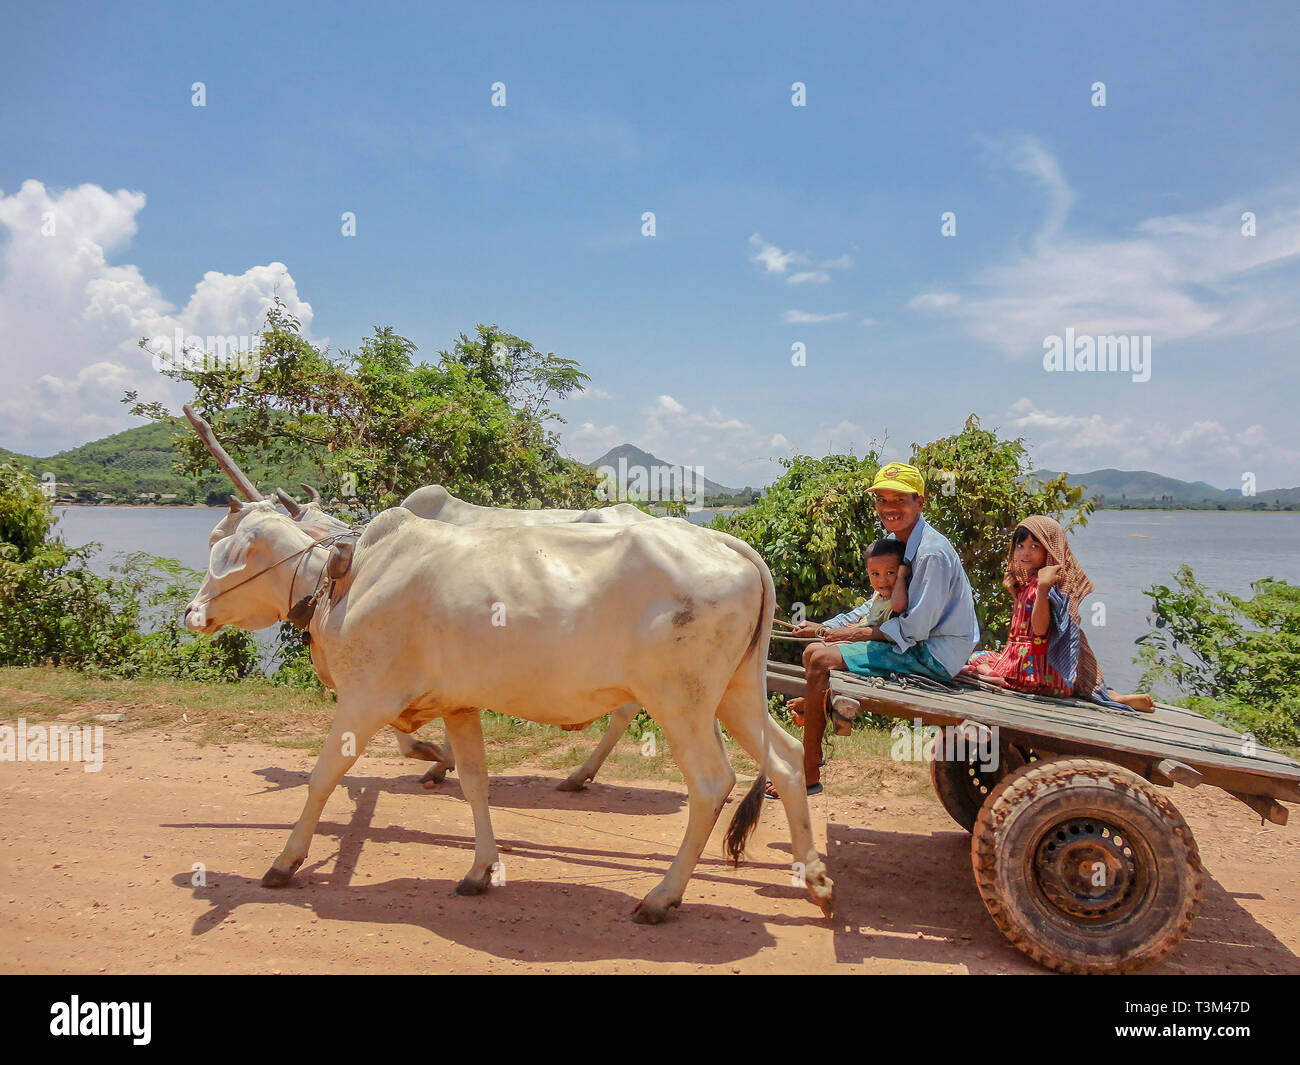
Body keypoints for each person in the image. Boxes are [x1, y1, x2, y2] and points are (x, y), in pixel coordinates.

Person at [775, 462, 980, 797]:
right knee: (814, 650)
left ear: (919, 502)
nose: (889, 508)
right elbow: (874, 607)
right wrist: (824, 628)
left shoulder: (930, 553)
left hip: (933, 653)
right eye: (882, 499)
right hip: (915, 644)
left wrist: (852, 634)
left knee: (821, 660)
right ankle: (817, 721)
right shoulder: (898, 545)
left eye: (899, 499)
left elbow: (916, 627)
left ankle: (808, 768)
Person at [962, 515, 1154, 712]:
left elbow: (1038, 628)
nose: (1025, 552)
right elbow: (1028, 618)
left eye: (1034, 546)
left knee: (977, 657)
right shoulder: (1038, 584)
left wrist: (1043, 587)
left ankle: (994, 676)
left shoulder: (1043, 586)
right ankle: (1115, 696)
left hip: (1029, 677)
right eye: (1020, 546)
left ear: (1050, 549)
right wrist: (1015, 593)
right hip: (1055, 680)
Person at [788, 538, 908, 729]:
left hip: (875, 649)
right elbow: (852, 616)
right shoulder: (877, 596)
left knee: (815, 653)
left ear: (902, 572)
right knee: (810, 651)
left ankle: (814, 706)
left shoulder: (899, 600)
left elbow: (888, 628)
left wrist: (832, 632)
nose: (882, 580)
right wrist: (821, 627)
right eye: (875, 574)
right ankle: (816, 701)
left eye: (891, 573)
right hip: (857, 641)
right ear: (868, 572)